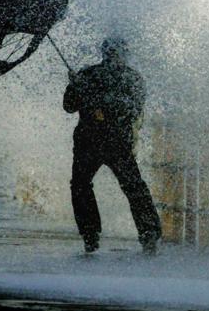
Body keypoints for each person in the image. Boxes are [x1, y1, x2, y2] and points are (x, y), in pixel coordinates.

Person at [63, 36, 161, 254]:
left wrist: (87, 91)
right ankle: (148, 234)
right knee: (132, 186)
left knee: (83, 186)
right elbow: (70, 105)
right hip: (108, 142)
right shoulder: (126, 77)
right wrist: (74, 86)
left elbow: (70, 106)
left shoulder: (94, 76)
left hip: (98, 141)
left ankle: (91, 234)